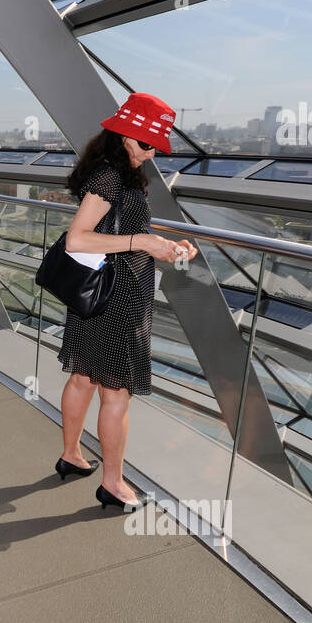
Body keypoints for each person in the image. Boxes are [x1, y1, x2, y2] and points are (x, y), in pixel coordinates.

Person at [54, 93, 197, 507]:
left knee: (83, 377)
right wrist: (143, 241)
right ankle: (113, 483)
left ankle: (71, 455)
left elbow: (120, 235)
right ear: (123, 135)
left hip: (99, 292)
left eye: (156, 146)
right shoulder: (110, 179)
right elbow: (78, 239)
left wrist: (165, 246)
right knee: (115, 393)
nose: (152, 153)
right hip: (116, 299)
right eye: (145, 143)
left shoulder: (118, 173)